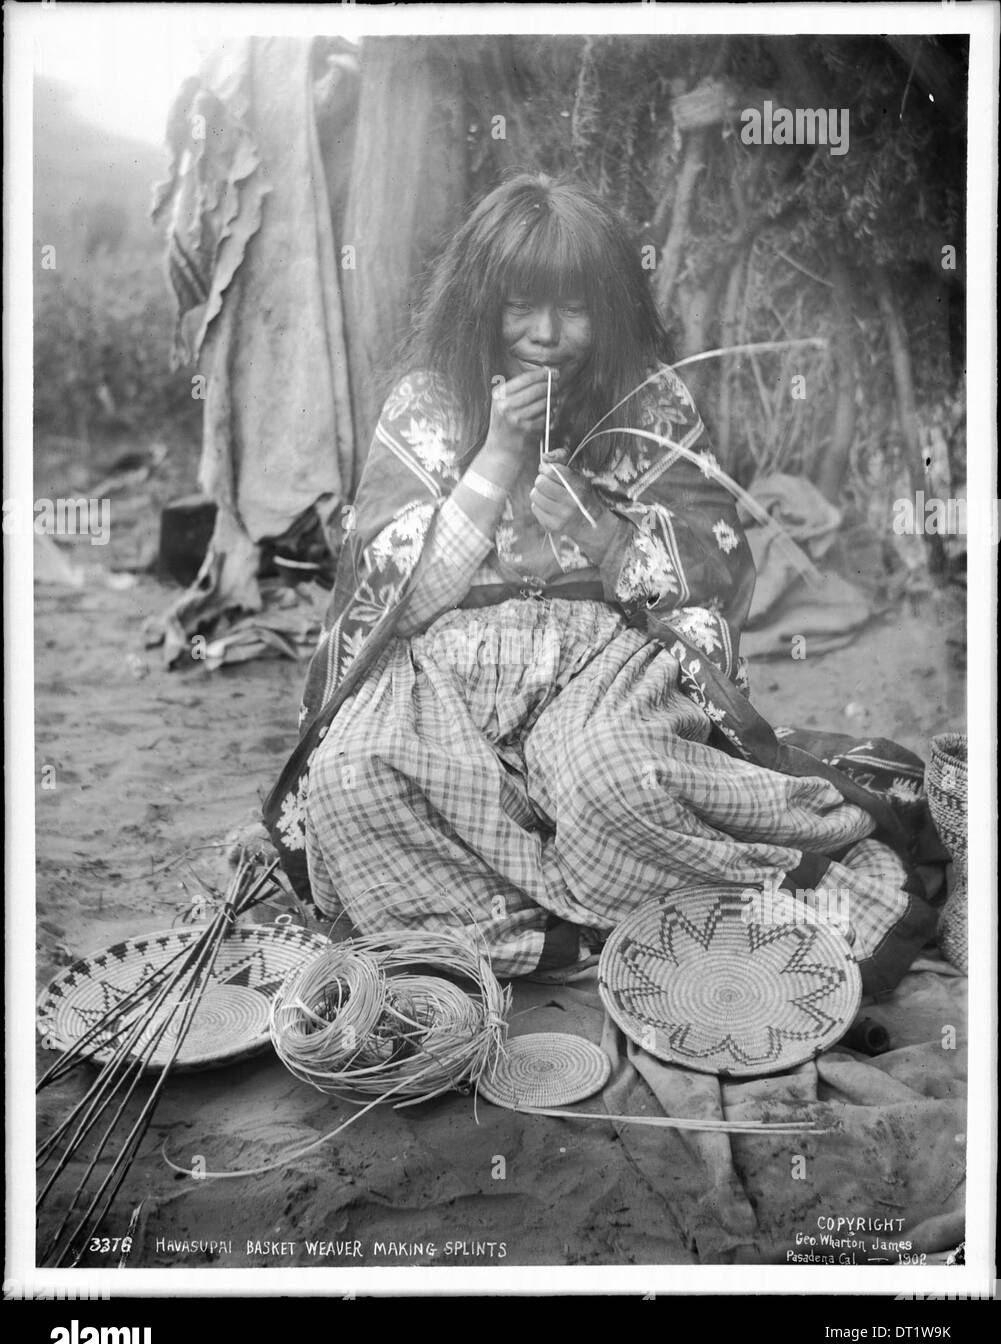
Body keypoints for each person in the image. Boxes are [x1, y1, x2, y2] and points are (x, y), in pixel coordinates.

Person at [264, 174, 937, 984]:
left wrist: (604, 533)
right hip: (442, 664)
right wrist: (495, 462)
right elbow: (389, 599)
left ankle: (608, 914)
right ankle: (552, 935)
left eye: (574, 308)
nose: (546, 334)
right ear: (478, 301)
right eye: (520, 305)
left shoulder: (646, 400)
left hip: (601, 660)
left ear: (608, 306)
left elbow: (713, 568)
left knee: (609, 780)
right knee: (355, 777)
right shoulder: (427, 403)